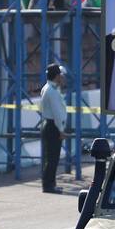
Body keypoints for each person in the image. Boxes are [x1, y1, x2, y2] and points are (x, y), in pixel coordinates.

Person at [39, 63, 68, 193]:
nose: (62, 77)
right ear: (56, 76)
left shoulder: (49, 88)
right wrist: (61, 130)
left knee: (51, 157)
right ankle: (49, 185)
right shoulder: (52, 91)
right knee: (52, 158)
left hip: (49, 124)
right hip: (53, 126)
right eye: (60, 75)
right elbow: (57, 113)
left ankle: (51, 183)